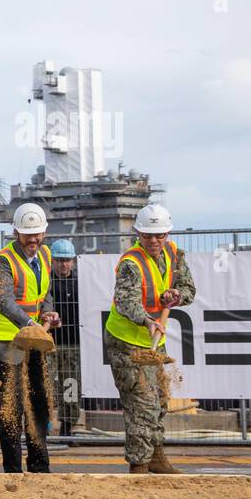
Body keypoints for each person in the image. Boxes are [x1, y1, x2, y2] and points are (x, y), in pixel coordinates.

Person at [105, 203, 194, 474]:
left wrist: (176, 296)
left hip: (154, 340)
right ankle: (139, 466)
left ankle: (156, 457)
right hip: (127, 342)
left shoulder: (175, 255)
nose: (154, 241)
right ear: (137, 234)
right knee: (141, 404)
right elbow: (126, 301)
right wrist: (146, 319)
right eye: (147, 235)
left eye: (159, 235)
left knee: (160, 402)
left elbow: (188, 288)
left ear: (167, 234)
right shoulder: (131, 263)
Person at [0, 202, 60, 474]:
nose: (33, 239)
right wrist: (31, 325)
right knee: (12, 405)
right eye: (27, 233)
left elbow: (45, 291)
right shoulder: (3, 261)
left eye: (37, 233)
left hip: (33, 338)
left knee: (38, 401)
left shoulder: (46, 255)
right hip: (2, 341)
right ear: (15, 232)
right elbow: (4, 301)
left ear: (44, 232)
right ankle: (12, 469)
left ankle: (39, 466)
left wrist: (48, 314)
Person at [49, 238, 82, 437]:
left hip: (73, 343)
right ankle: (41, 426)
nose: (64, 264)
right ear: (53, 261)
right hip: (48, 344)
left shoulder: (80, 282)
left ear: (73, 261)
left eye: (67, 260)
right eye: (60, 260)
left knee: (71, 385)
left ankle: (67, 429)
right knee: (45, 386)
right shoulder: (46, 282)